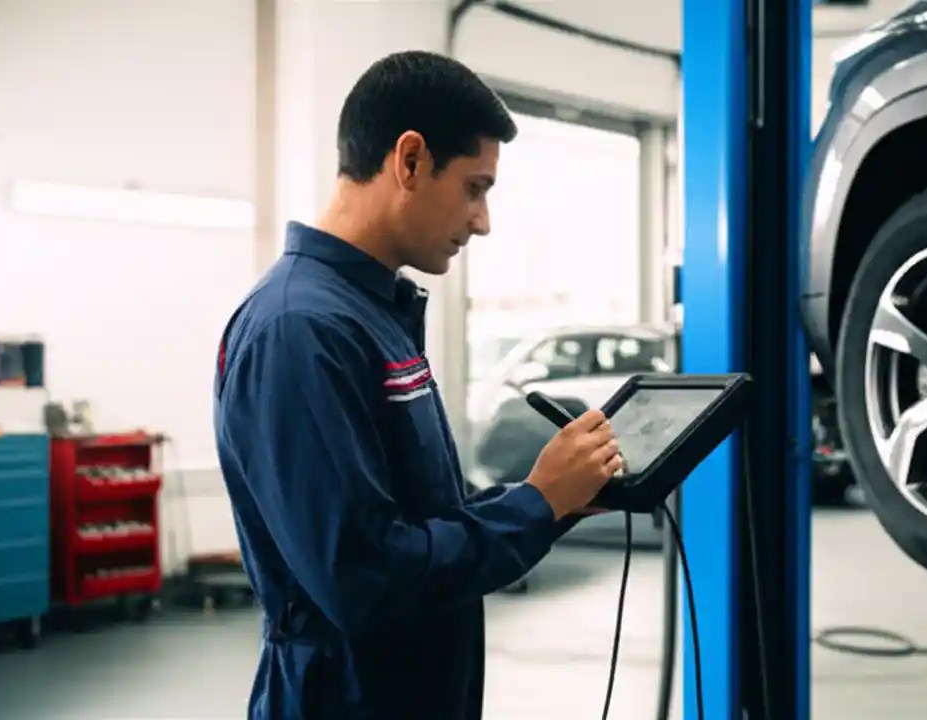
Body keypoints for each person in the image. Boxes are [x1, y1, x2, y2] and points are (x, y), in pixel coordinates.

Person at [212, 50, 624, 719]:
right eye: (474, 187)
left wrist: (556, 499)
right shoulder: (300, 329)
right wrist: (536, 506)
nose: (482, 220)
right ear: (409, 161)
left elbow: (424, 522)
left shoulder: (372, 314)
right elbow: (363, 578)